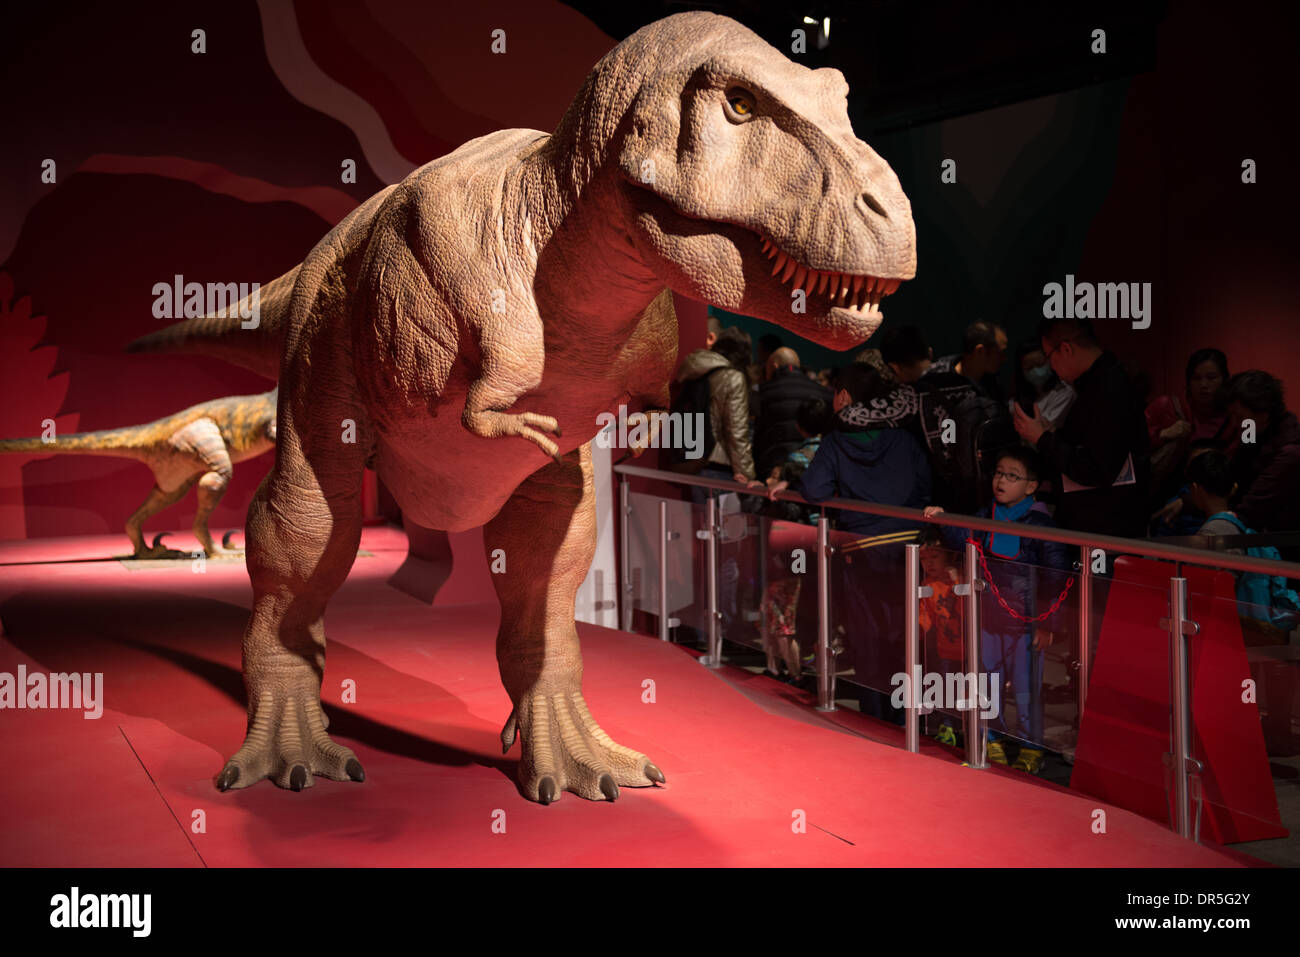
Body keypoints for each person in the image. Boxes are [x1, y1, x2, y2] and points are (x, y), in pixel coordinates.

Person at [786, 363, 933, 723]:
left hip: (859, 546)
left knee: (866, 639)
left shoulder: (836, 440)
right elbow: (926, 487)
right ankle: (906, 719)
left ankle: (874, 718)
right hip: (907, 547)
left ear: (845, 396)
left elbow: (813, 490)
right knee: (905, 634)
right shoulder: (904, 437)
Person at [924, 447, 1069, 772]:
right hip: (988, 619)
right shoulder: (984, 514)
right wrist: (944, 518)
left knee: (1026, 688)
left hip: (1027, 627)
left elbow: (1056, 578)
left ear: (1031, 486)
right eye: (999, 473)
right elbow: (962, 536)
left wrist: (1048, 626)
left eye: (1012, 476)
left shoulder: (1042, 524)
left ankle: (1032, 747)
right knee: (986, 684)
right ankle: (993, 741)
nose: (1001, 480)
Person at [1015, 317, 1149, 538]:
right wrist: (1051, 435)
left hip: (1107, 528)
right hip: (1101, 523)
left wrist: (1042, 438)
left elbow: (1096, 468)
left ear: (1066, 349)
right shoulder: (1099, 383)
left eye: (1049, 357)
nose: (1050, 366)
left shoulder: (1107, 388)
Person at [1225, 371, 1300, 560]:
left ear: (1264, 413)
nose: (1235, 424)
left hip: (1286, 550)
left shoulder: (1290, 451)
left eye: (1240, 417)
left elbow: (1254, 506)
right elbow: (1235, 473)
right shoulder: (1252, 430)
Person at [1145, 348, 1232, 500]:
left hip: (1208, 502)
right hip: (1157, 496)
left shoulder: (1235, 418)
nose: (1203, 385)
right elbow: (1128, 440)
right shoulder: (1168, 406)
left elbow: (1243, 461)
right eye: (1196, 378)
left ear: (1224, 380)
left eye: (1211, 378)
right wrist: (1162, 434)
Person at [753, 346, 833, 481]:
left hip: (770, 470)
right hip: (812, 469)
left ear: (774, 365)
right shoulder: (823, 393)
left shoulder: (761, 393)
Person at [930, 321, 1009, 403]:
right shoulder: (936, 378)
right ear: (980, 351)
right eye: (1000, 353)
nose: (1004, 359)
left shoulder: (994, 385)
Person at [1010, 340, 1074, 431]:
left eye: (1040, 364)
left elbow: (1044, 430)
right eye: (1029, 368)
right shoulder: (1015, 401)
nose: (1036, 371)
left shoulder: (1064, 393)